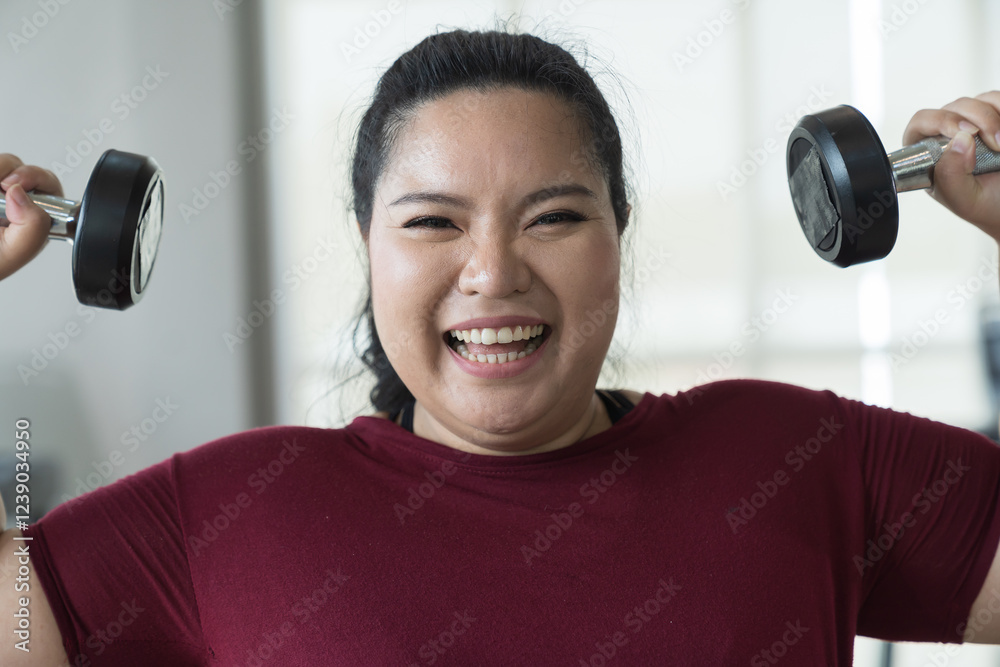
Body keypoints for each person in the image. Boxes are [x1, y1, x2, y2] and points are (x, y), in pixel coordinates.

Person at [2, 28, 1000, 666]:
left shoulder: (794, 458)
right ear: (367, 250)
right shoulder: (224, 513)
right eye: (432, 223)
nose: (492, 271)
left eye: (554, 217)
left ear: (620, 231)